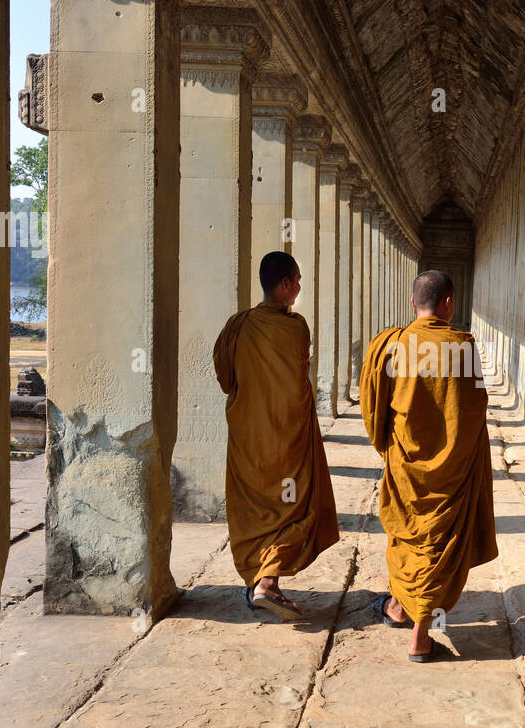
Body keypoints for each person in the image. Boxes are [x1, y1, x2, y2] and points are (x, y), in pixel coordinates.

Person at [360, 270, 497, 661]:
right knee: (438, 541)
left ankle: (415, 628)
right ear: (449, 304)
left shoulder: (393, 345)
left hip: (407, 462)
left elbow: (373, 407)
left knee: (408, 536)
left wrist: (389, 447)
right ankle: (412, 624)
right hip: (450, 469)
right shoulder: (463, 347)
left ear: (412, 303)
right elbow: (474, 412)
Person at [213, 251, 339, 620]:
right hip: (289, 438)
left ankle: (263, 581)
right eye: (297, 280)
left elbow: (225, 378)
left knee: (255, 508)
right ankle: (268, 581)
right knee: (296, 507)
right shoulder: (296, 327)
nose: (299, 288)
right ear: (284, 285)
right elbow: (297, 378)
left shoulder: (236, 326)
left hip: (249, 438)